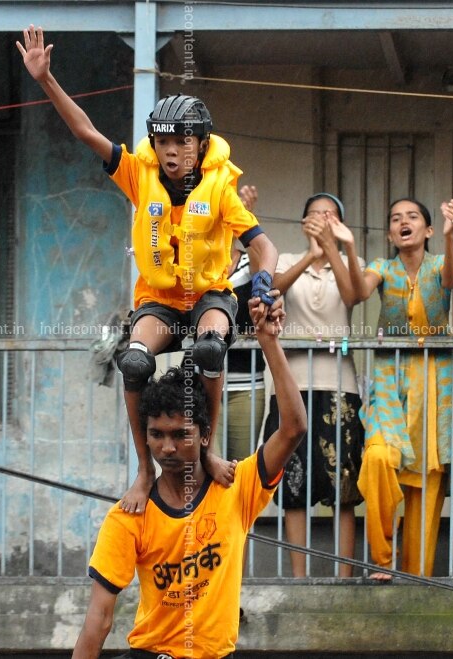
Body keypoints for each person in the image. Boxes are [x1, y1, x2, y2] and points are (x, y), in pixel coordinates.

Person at [17, 26, 279, 515]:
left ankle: (208, 451)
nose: (171, 151)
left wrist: (264, 280)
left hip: (208, 297)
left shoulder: (221, 189)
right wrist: (46, 79)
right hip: (159, 301)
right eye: (162, 142)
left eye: (182, 141)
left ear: (201, 144)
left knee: (209, 348)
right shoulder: (139, 175)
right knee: (135, 363)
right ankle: (143, 469)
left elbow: (264, 247)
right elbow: (86, 132)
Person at [74, 296, 306, 658]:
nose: (167, 448)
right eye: (156, 435)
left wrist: (269, 341)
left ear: (204, 435)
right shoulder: (129, 514)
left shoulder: (236, 486)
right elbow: (99, 619)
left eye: (180, 435)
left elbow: (293, 429)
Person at [347, 197, 453, 579]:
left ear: (427, 230)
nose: (404, 222)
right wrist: (347, 246)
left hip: (435, 385)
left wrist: (451, 235)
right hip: (389, 379)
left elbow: (451, 282)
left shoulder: (440, 262)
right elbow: (359, 293)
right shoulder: (382, 267)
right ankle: (382, 557)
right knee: (378, 457)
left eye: (412, 216)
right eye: (396, 218)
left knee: (425, 489)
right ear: (390, 234)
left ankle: (417, 580)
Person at [265, 192, 365, 578]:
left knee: (343, 485)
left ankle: (344, 579)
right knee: (292, 483)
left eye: (330, 215)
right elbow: (273, 288)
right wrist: (311, 254)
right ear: (303, 222)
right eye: (315, 214)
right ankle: (298, 579)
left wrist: (335, 249)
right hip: (291, 385)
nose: (322, 219)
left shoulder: (352, 261)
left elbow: (353, 295)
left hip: (339, 384)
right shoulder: (287, 259)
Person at [218, 185, 266, 462]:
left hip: (246, 383)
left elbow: (262, 277)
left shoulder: (249, 259)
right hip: (199, 379)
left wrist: (247, 221)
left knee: (239, 469)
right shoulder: (195, 261)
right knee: (199, 468)